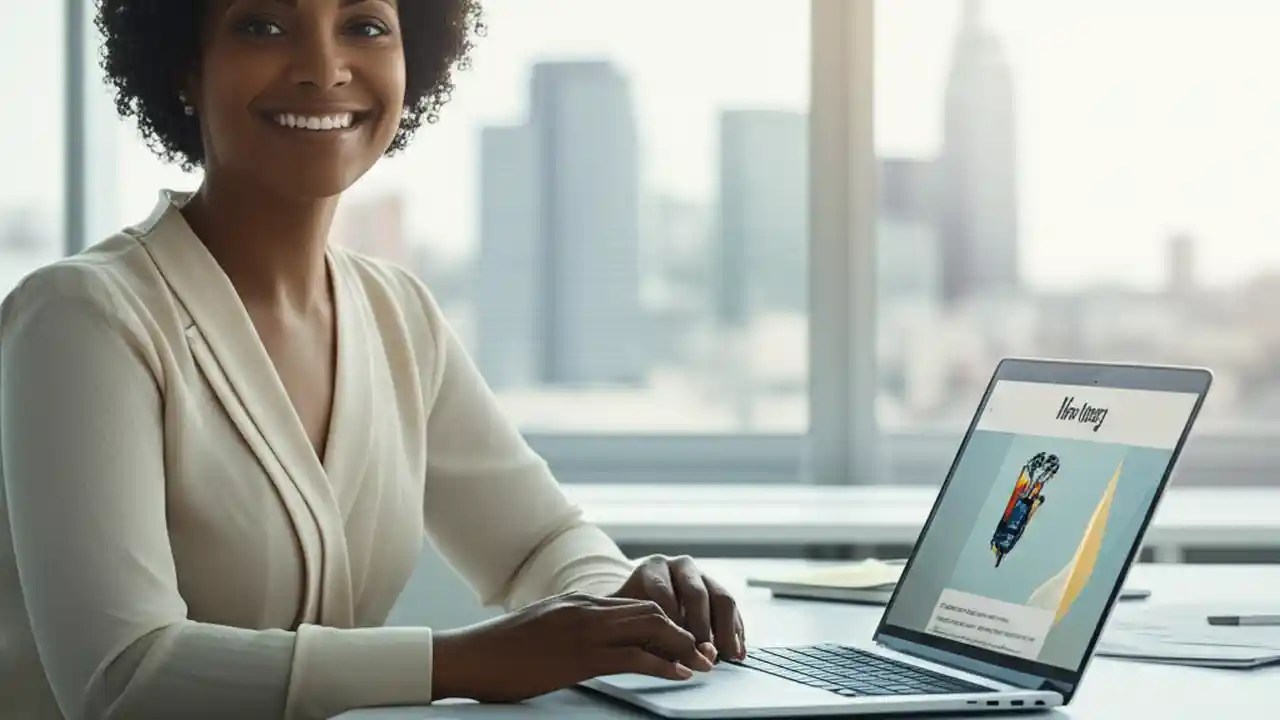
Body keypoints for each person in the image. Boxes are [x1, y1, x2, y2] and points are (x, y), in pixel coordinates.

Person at [0, 1, 745, 718]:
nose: (324, 67)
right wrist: (464, 663)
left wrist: (630, 598)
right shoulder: (81, 318)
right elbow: (123, 680)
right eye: (262, 25)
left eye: (364, 25)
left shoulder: (398, 315)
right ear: (185, 69)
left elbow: (537, 542)